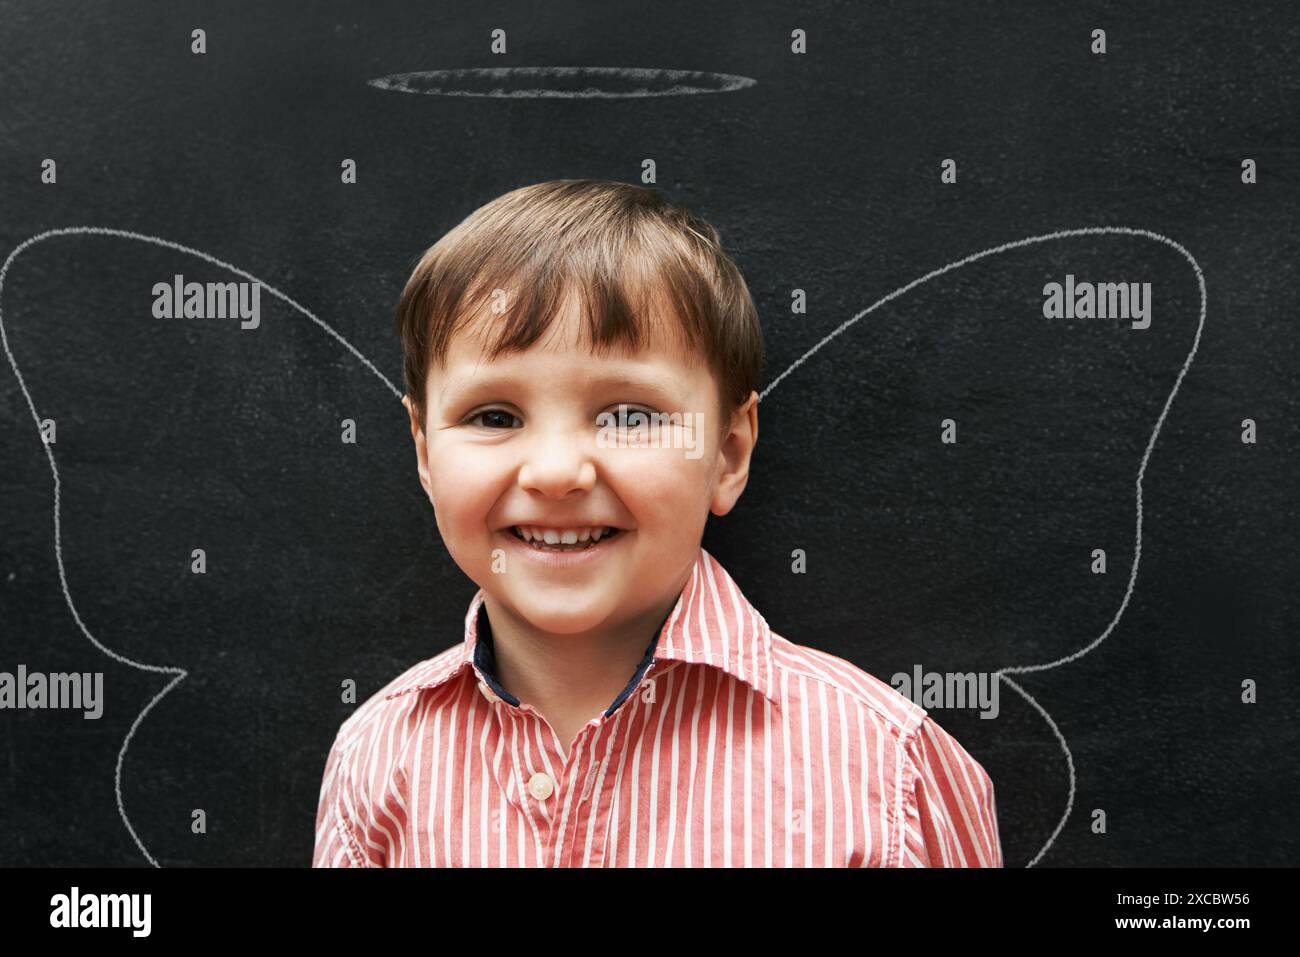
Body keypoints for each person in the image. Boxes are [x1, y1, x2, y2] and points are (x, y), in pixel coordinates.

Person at [312, 179, 1003, 867]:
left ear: (728, 452)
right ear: (426, 452)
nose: (555, 471)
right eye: (494, 417)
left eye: (630, 417)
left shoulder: (885, 771)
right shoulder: (377, 759)